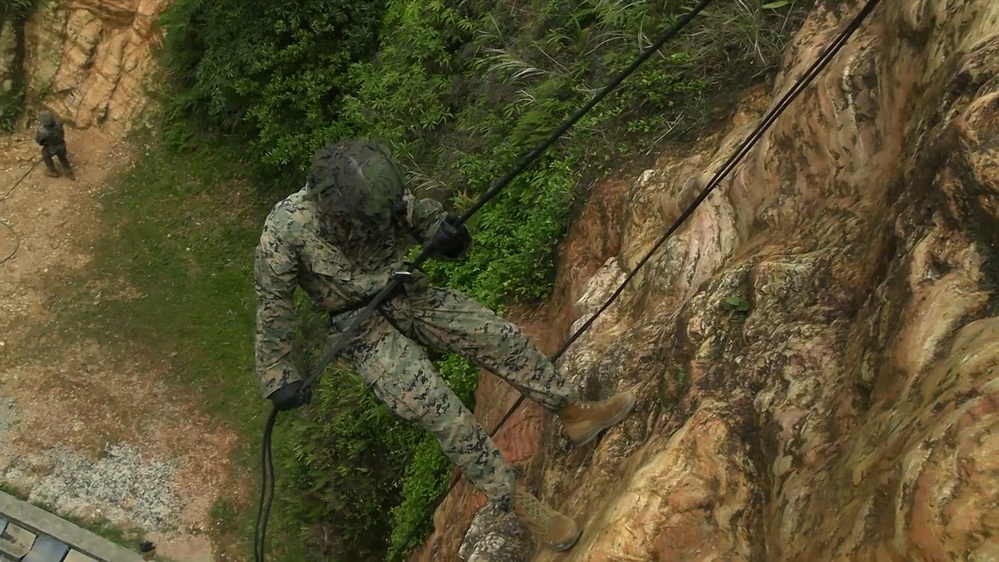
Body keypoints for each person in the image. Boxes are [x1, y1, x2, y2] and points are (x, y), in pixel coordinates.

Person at [252, 139, 636, 551]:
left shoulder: (384, 195)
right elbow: (273, 302)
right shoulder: (287, 228)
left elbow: (428, 224)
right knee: (445, 415)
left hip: (407, 294)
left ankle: (574, 412)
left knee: (499, 338)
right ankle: (523, 506)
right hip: (360, 329)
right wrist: (278, 376)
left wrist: (450, 236)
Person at [34, 110, 75, 180]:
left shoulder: (42, 131)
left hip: (51, 148)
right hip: (61, 145)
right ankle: (69, 173)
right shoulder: (58, 124)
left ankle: (52, 171)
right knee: (63, 159)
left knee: (46, 156)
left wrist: (45, 143)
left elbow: (39, 141)